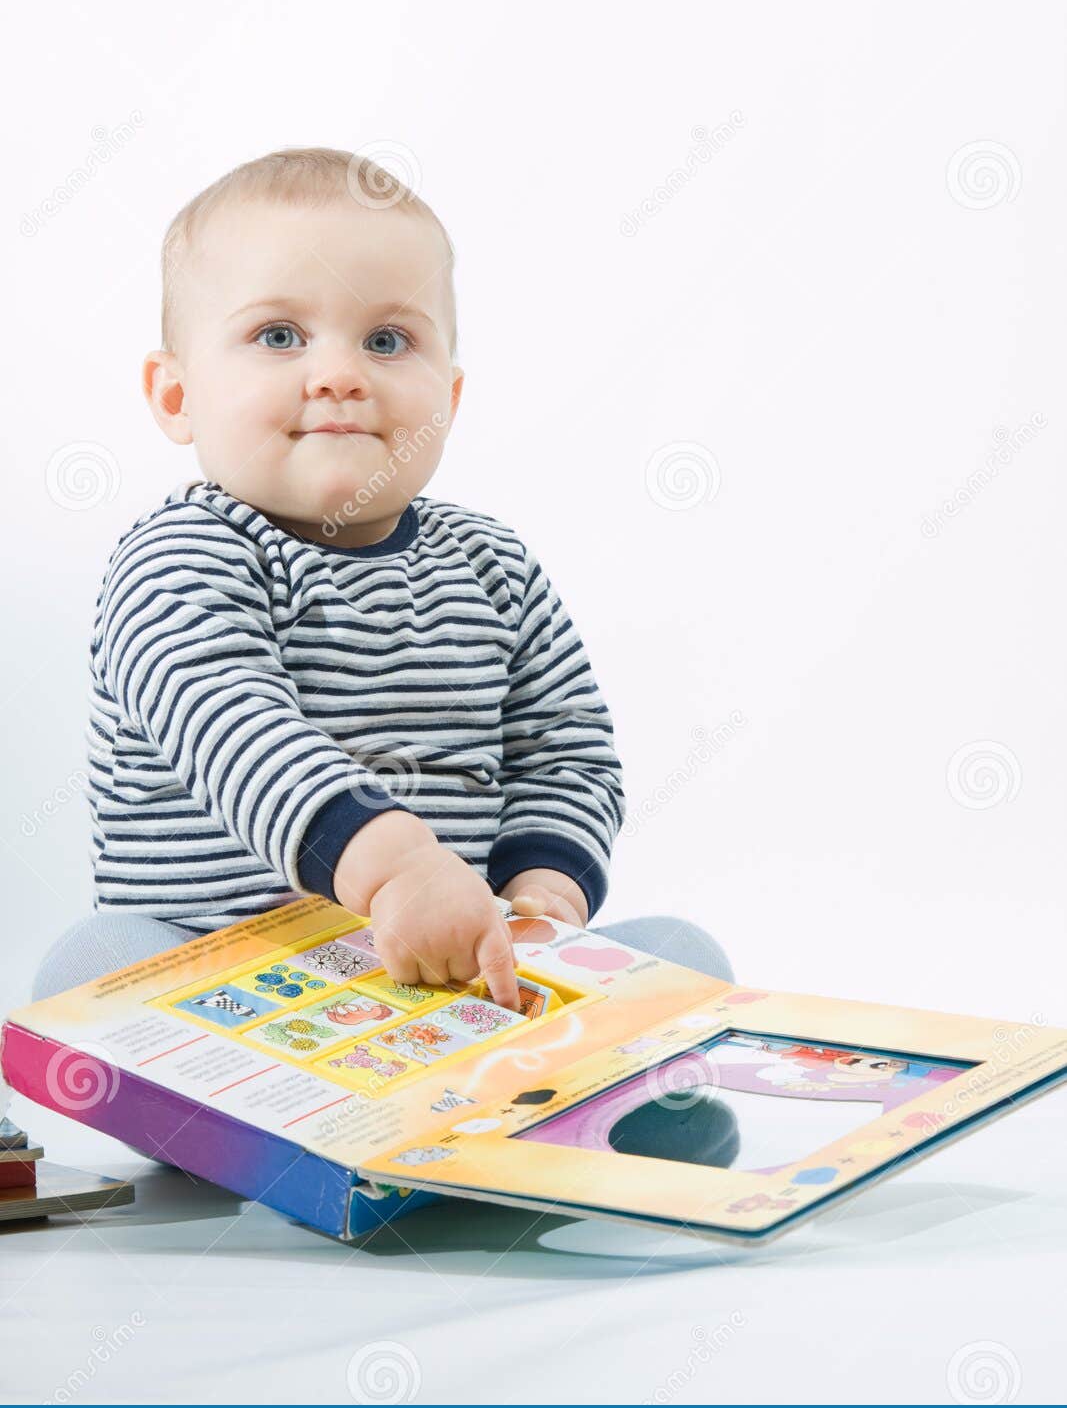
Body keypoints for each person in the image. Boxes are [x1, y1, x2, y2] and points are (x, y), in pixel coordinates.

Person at [32, 147, 734, 1044]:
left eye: (387, 340)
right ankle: (270, 1133)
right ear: (176, 395)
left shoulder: (492, 564)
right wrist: (393, 870)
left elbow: (564, 750)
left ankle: (578, 1114)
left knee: (683, 955)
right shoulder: (181, 556)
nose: (339, 375)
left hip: (449, 983)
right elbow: (232, 722)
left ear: (448, 394)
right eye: (279, 336)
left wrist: (540, 892)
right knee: (91, 965)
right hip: (232, 992)